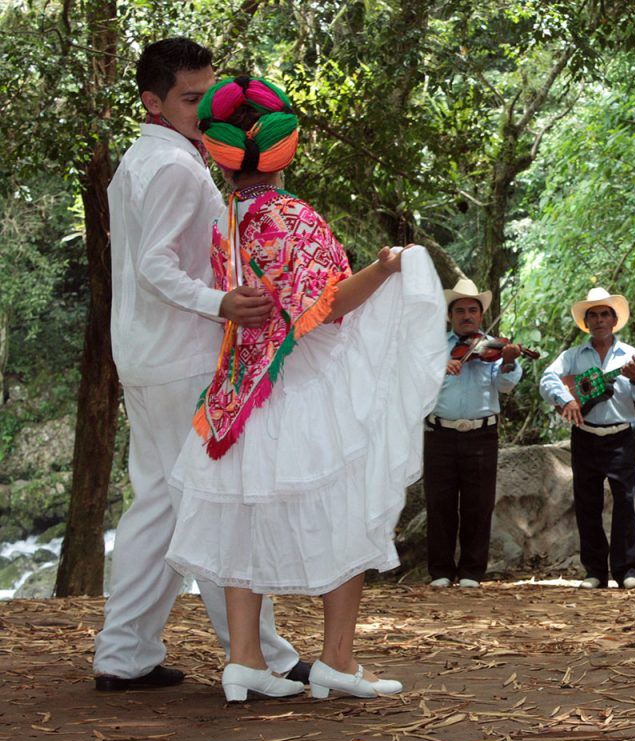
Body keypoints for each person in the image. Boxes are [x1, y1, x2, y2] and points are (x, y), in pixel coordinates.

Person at [164, 75, 445, 701]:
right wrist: (387, 265)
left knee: (244, 519)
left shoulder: (226, 218)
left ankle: (244, 660)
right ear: (284, 147)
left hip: (237, 396)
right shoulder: (292, 215)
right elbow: (330, 304)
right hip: (301, 388)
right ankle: (337, 661)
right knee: (343, 515)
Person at [94, 39, 303, 692]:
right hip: (181, 355)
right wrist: (221, 303)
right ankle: (258, 656)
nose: (205, 108)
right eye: (190, 98)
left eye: (208, 94)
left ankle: (123, 655)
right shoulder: (175, 168)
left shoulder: (143, 159)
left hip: (145, 353)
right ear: (153, 101)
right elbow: (155, 263)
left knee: (159, 502)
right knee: (210, 502)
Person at [539, 288, 635, 589]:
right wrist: (566, 399)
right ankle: (594, 572)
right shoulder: (573, 357)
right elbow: (547, 378)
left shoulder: (630, 355)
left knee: (625, 501)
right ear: (586, 322)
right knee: (587, 503)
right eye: (594, 315)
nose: (600, 320)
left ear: (614, 320)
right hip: (585, 436)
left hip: (620, 436)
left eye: (605, 314)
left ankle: (628, 571)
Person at [425, 278, 522, 589]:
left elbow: (505, 387)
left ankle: (471, 571)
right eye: (460, 311)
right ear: (450, 316)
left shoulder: (492, 348)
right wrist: (440, 366)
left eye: (472, 310)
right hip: (439, 433)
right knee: (439, 501)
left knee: (478, 503)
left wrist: (508, 362)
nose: (467, 316)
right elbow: (412, 384)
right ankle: (440, 570)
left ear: (481, 316)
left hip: (481, 435)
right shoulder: (433, 348)